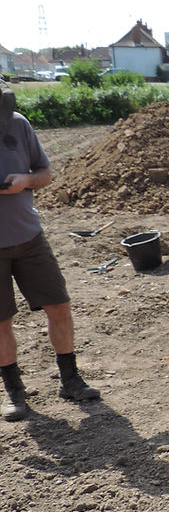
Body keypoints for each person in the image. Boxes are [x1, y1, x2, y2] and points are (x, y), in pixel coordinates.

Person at [0, 79, 100, 422]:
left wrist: (26, 181)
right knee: (1, 322)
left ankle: (70, 381)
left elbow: (45, 173)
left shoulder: (17, 123)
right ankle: (15, 394)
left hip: (30, 238)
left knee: (59, 306)